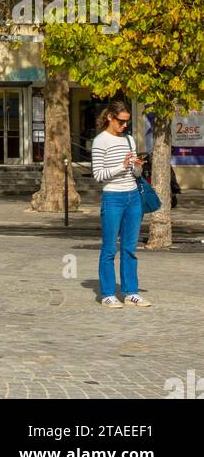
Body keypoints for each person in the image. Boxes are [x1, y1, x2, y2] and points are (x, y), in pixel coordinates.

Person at [91, 100, 153, 308]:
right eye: (121, 121)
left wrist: (136, 167)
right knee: (109, 249)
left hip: (133, 197)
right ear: (110, 117)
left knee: (130, 248)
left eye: (127, 122)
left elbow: (134, 174)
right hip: (113, 198)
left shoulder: (129, 140)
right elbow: (98, 175)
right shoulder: (101, 141)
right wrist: (122, 165)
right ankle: (108, 293)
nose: (125, 125)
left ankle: (130, 292)